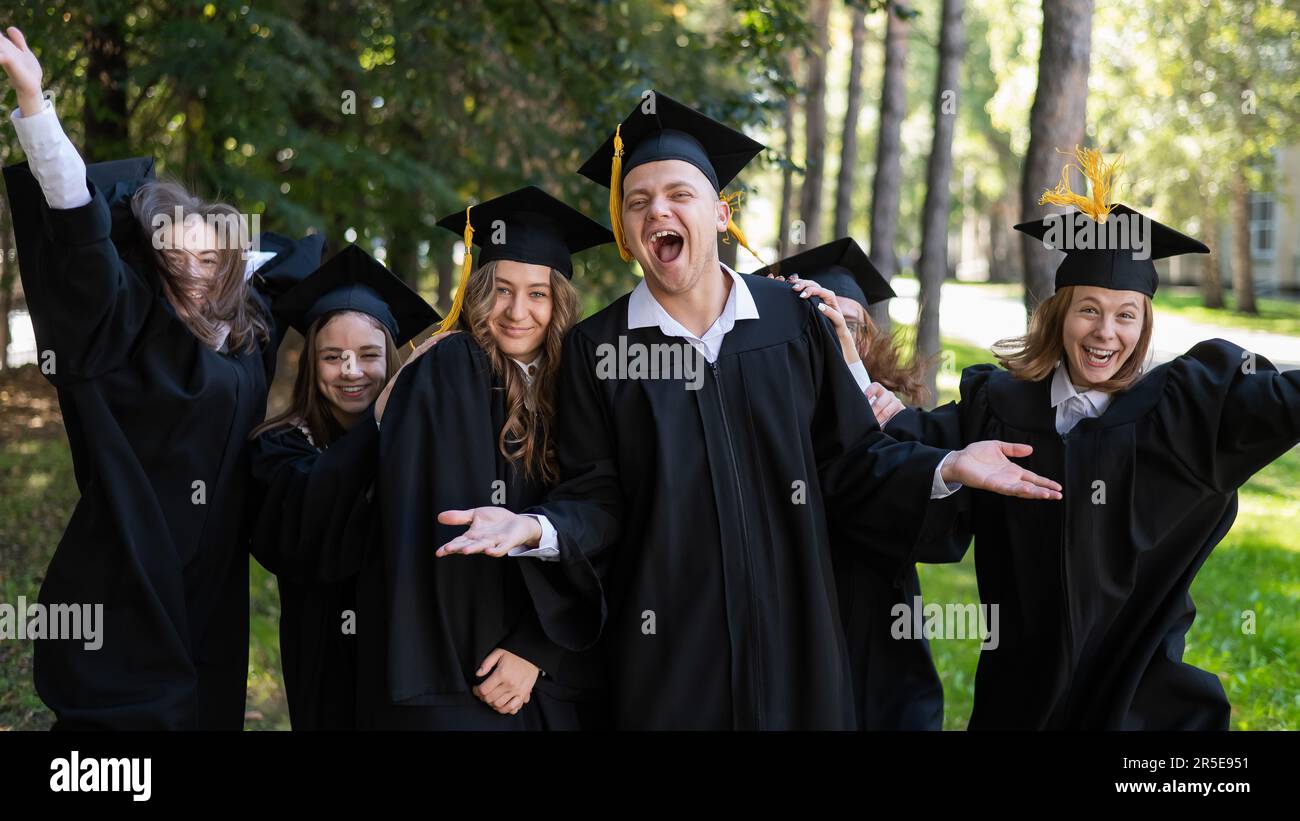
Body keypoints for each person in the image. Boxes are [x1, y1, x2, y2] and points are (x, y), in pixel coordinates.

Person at [435, 90, 1062, 730]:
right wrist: (535, 529)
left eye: (679, 194)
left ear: (719, 212)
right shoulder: (600, 349)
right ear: (624, 230)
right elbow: (599, 497)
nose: (658, 212)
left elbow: (850, 463)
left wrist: (947, 467)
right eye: (638, 202)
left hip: (796, 644)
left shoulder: (792, 322)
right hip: (668, 659)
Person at [878, 147, 1300, 729]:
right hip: (1019, 701)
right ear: (1058, 314)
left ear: (1145, 323)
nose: (1106, 332)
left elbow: (1282, 402)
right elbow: (901, 457)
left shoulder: (1183, 416)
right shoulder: (999, 409)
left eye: (1127, 315)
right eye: (1089, 310)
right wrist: (865, 390)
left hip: (1138, 701)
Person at [0, 25, 322, 728]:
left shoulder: (246, 330)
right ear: (153, 264)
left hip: (211, 588)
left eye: (211, 258)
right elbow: (79, 228)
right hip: (128, 577)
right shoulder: (122, 329)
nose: (197, 272)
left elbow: (306, 287)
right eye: (178, 258)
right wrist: (35, 103)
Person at [360, 186, 612, 730]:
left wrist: (537, 650)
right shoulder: (450, 369)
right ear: (477, 293)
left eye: (538, 294)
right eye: (501, 290)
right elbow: (429, 528)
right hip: (463, 672)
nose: (518, 312)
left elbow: (604, 512)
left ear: (560, 301)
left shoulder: (583, 384)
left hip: (553, 669)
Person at [753, 237, 944, 730]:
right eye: (817, 319)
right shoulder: (757, 408)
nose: (835, 334)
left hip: (875, 633)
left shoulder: (890, 412)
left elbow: (936, 528)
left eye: (852, 324)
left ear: (868, 338)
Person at [248, 245, 439, 730]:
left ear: (392, 359)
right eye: (333, 357)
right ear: (312, 365)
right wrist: (378, 423)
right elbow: (299, 534)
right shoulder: (278, 447)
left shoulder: (428, 445)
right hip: (323, 655)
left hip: (410, 657)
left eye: (369, 355)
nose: (351, 371)